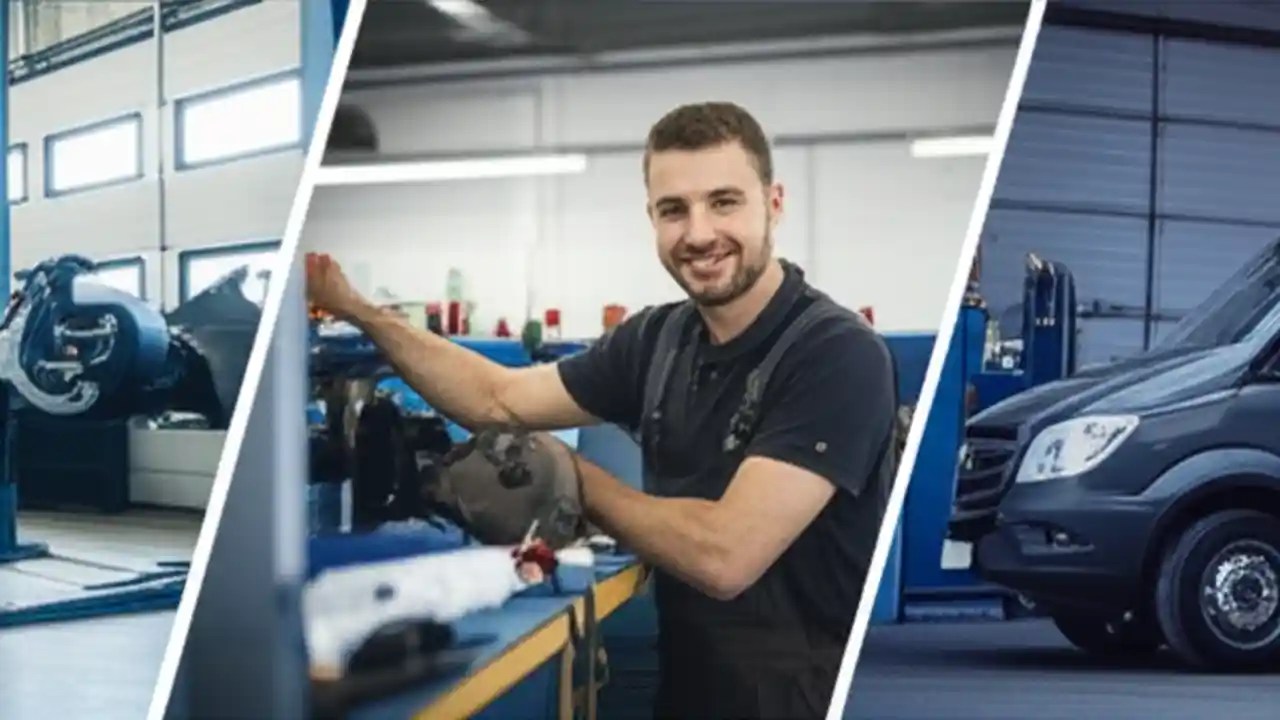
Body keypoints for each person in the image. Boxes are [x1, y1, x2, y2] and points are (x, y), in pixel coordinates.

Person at [305, 101, 898, 719]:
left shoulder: (837, 354)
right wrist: (358, 310)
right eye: (674, 210)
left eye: (724, 202)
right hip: (691, 690)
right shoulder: (657, 341)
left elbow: (727, 556)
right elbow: (496, 398)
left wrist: (569, 478)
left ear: (774, 204)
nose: (698, 233)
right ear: (652, 218)